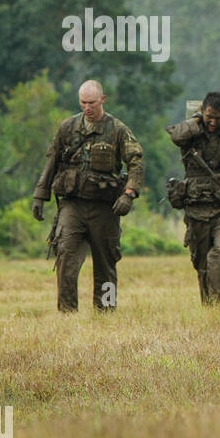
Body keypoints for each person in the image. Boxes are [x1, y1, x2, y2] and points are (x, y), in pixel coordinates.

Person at [31, 80, 145, 312]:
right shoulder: (67, 128)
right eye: (83, 102)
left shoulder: (118, 130)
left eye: (92, 102)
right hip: (72, 206)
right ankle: (67, 314)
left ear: (102, 100)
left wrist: (129, 194)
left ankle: (106, 314)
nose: (87, 107)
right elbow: (51, 162)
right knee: (65, 256)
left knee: (106, 265)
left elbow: (136, 162)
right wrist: (39, 196)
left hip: (105, 208)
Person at [166, 93, 220, 304]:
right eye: (209, 117)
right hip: (196, 206)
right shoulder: (191, 133)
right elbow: (176, 136)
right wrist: (198, 117)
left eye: (218, 117)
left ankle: (219, 304)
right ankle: (209, 307)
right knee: (202, 260)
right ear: (202, 113)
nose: (213, 122)